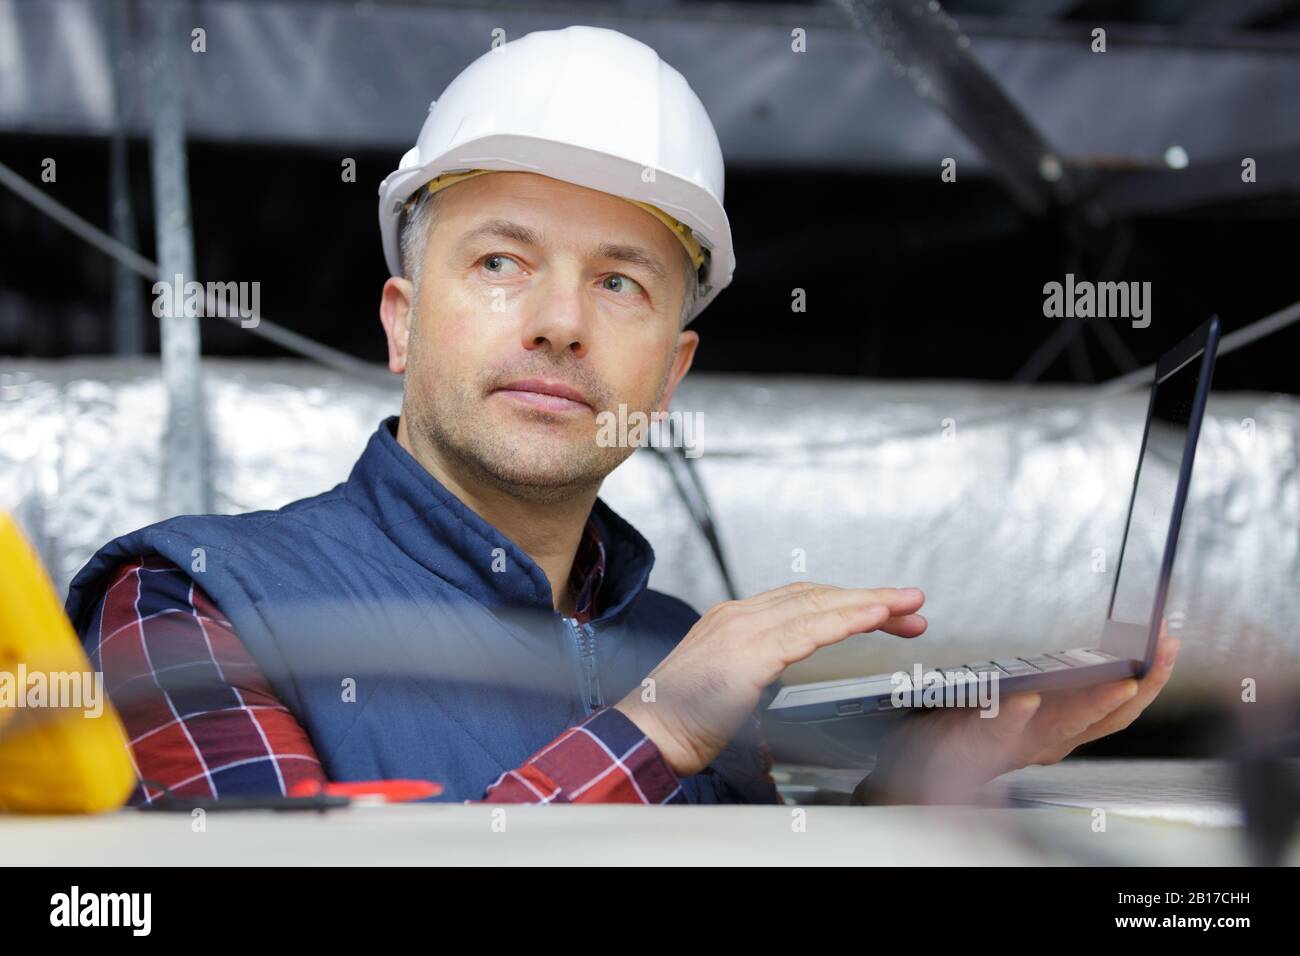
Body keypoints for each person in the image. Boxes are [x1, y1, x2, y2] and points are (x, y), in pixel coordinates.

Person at [65, 26, 1179, 807]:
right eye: (501, 260)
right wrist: (657, 731)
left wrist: (929, 781)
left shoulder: (680, 648)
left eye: (620, 283)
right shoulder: (190, 601)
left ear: (672, 370)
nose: (560, 323)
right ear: (402, 322)